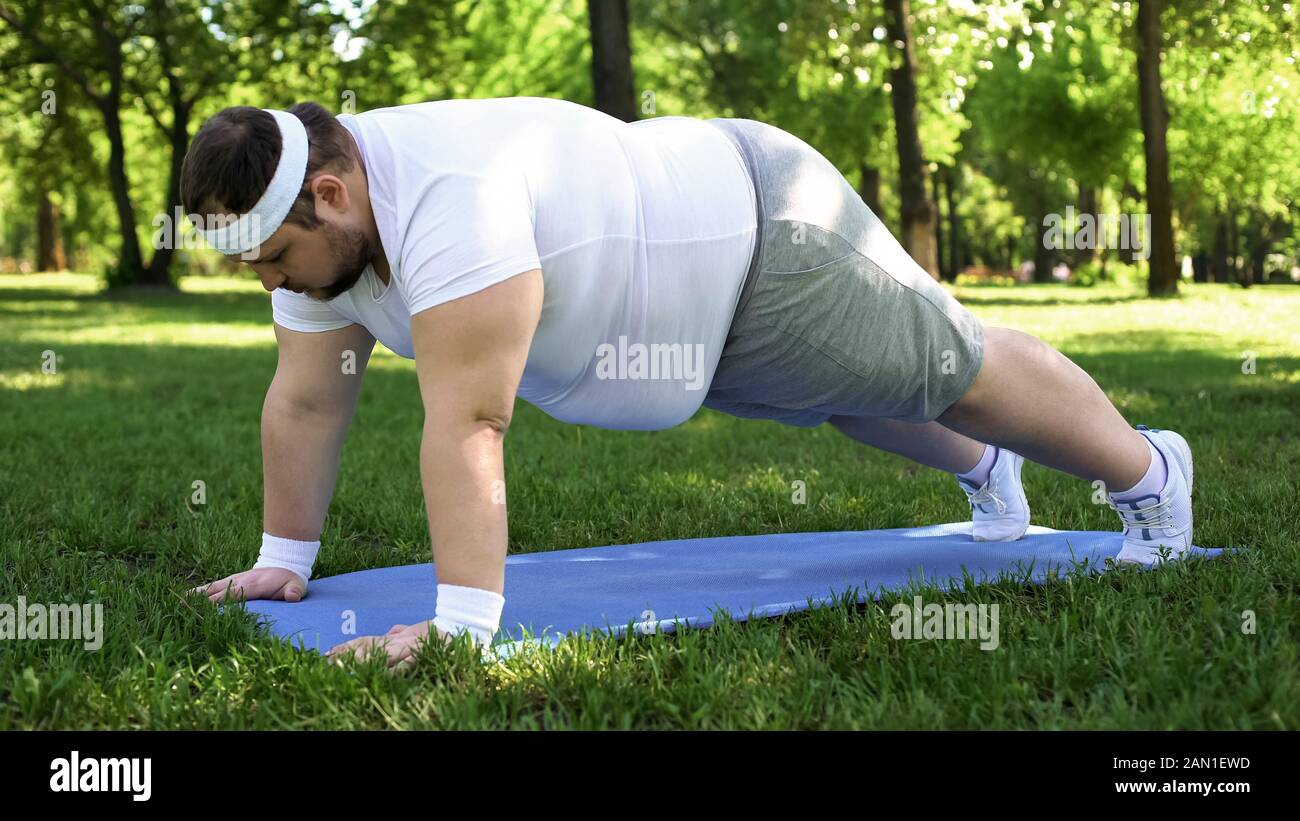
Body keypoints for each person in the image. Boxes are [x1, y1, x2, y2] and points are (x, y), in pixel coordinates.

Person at [183, 98, 1194, 669]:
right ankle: (988, 473)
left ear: (330, 192)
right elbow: (310, 396)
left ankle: (1150, 479)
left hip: (761, 238)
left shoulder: (451, 201)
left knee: (949, 368)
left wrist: (460, 625)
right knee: (851, 397)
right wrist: (284, 554)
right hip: (682, 324)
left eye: (273, 258)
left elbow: (472, 420)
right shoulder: (327, 230)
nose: (270, 284)